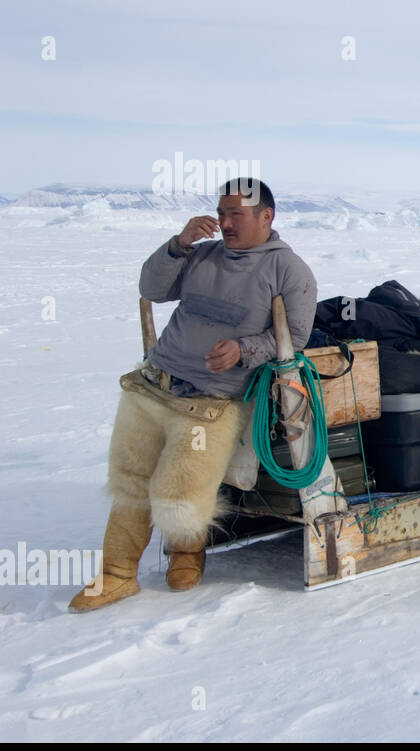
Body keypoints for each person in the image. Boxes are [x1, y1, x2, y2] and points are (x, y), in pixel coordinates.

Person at [69, 178, 318, 611]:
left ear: (266, 216)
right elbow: (152, 289)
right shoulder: (202, 254)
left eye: (234, 215)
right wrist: (177, 245)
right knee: (130, 482)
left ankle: (187, 554)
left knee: (178, 490)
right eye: (220, 213)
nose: (224, 223)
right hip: (155, 383)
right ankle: (117, 575)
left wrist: (245, 349)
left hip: (212, 402)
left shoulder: (288, 271)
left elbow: (295, 337)